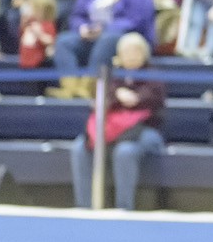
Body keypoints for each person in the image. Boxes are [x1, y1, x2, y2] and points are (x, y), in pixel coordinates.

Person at [70, 32, 167, 210]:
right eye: (126, 52)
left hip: (144, 131)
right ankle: (84, 206)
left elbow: (155, 101)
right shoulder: (111, 76)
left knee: (125, 152)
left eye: (135, 51)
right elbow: (101, 100)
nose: (131, 56)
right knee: (79, 148)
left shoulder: (153, 75)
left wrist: (136, 98)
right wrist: (117, 96)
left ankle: (123, 208)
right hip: (111, 130)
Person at [49, 0, 155, 99]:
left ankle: (89, 87)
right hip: (92, 36)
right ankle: (70, 88)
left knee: (107, 39)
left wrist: (104, 29)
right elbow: (77, 14)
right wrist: (83, 28)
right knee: (64, 41)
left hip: (120, 37)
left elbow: (136, 20)